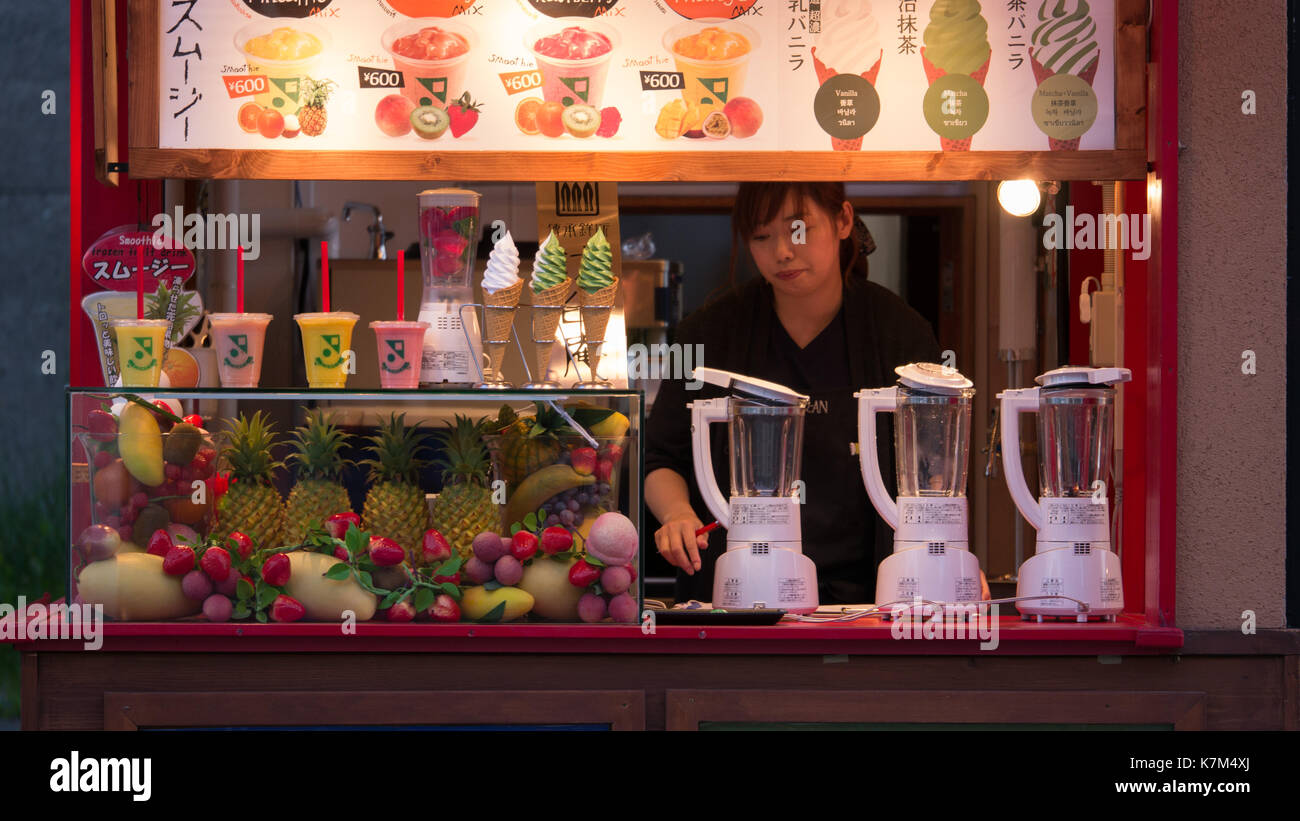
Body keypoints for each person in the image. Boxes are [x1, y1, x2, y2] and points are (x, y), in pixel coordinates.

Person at [643, 181, 946, 605]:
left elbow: (935, 466)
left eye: (797, 229)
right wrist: (677, 514)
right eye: (762, 236)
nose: (782, 251)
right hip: (740, 597)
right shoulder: (708, 333)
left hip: (870, 601)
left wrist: (944, 554)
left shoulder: (900, 332)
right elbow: (660, 458)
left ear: (842, 220)